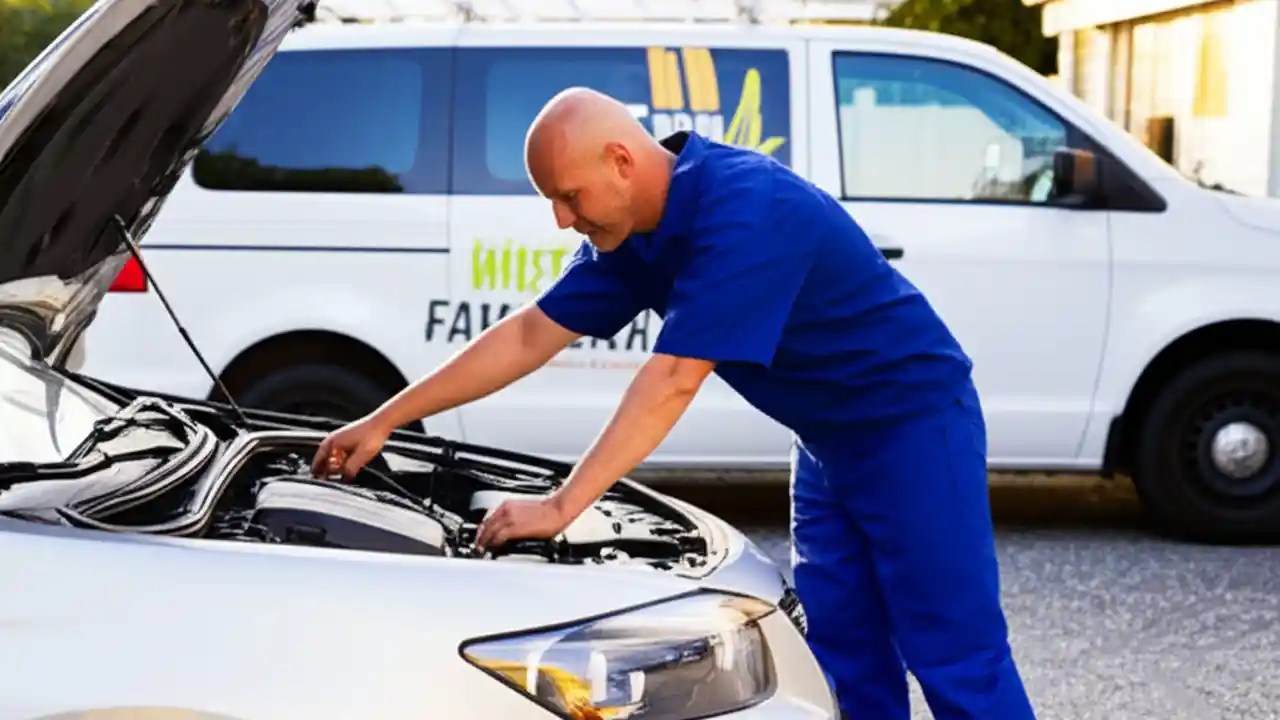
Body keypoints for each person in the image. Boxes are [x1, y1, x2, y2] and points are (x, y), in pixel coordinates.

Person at [311, 87, 1036, 720]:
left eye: (569, 196)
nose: (562, 219)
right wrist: (384, 420)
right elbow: (530, 334)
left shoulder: (748, 210)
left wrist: (562, 506)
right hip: (823, 444)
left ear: (621, 162)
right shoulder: (632, 235)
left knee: (954, 654)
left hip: (912, 426)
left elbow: (674, 379)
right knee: (847, 657)